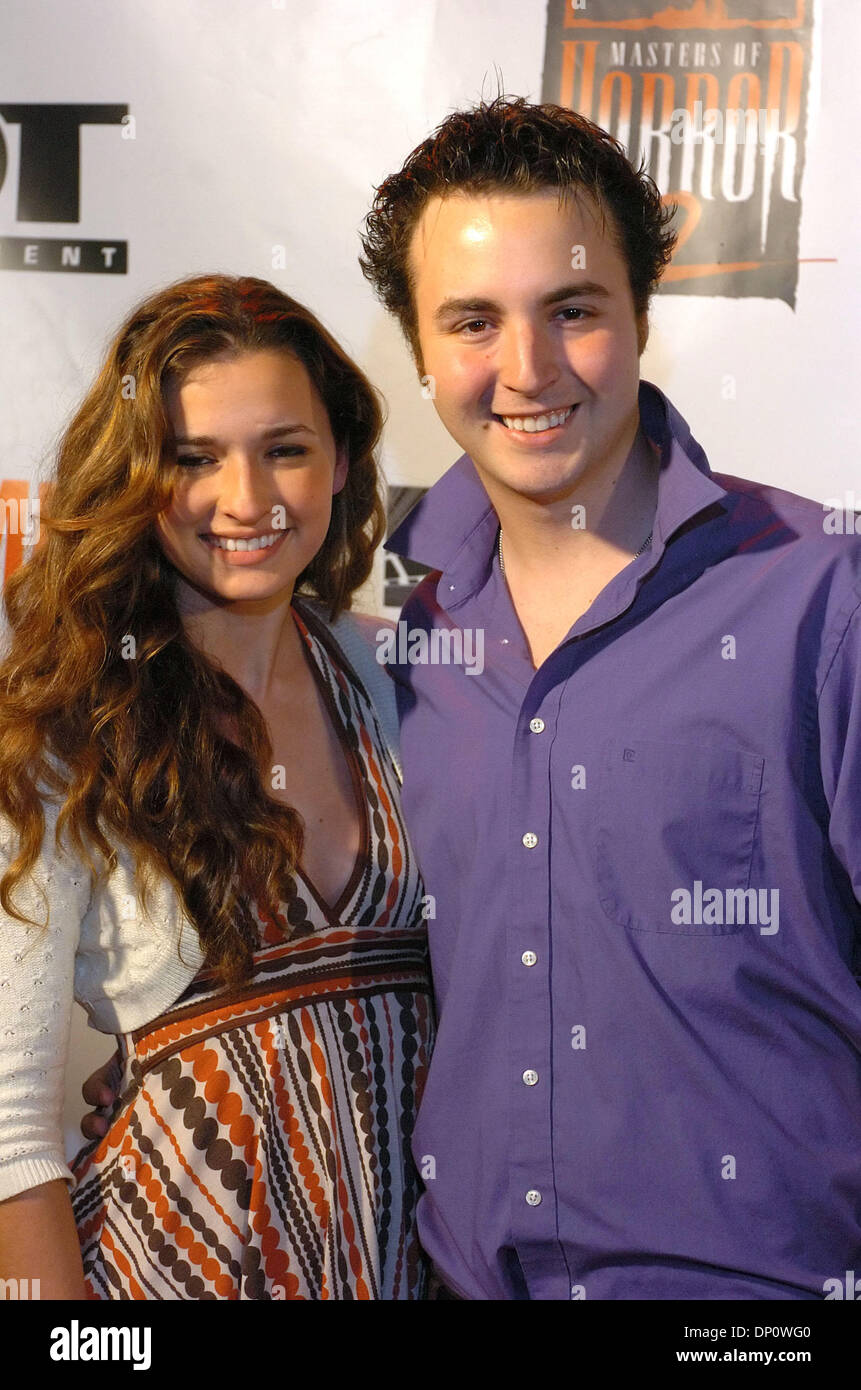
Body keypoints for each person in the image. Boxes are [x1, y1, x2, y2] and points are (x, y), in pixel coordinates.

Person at [354, 96, 861, 1299]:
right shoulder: (404, 650)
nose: (525, 371)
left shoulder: (819, 597)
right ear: (419, 350)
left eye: (571, 311)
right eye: (473, 321)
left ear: (641, 315)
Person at [0, 273, 434, 1300]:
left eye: (285, 448)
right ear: (138, 478)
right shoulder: (65, 726)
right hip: (166, 1276)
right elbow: (9, 1113)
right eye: (195, 459)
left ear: (340, 461)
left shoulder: (399, 675)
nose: (247, 500)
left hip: (409, 1257)